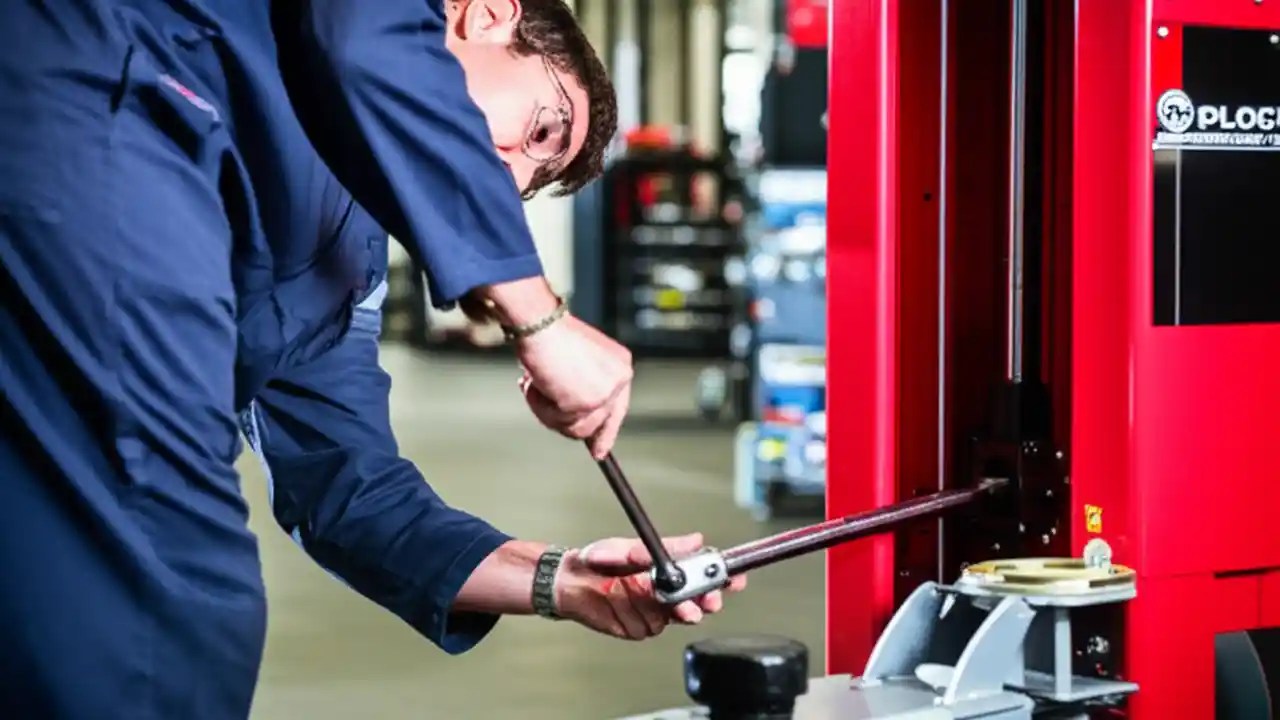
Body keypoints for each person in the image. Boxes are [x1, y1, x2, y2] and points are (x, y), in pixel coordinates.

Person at [0, 1, 729, 718]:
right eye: (542, 128)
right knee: (167, 600)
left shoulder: (339, 258)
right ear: (485, 15)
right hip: (91, 89)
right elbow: (360, 34)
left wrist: (559, 580)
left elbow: (350, 490)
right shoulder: (364, 27)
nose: (505, 183)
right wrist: (540, 317)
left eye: (526, 187)